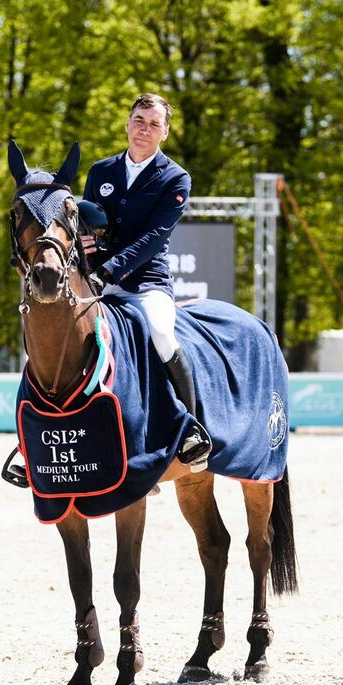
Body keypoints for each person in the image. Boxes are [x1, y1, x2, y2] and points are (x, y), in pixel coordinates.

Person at [79, 93, 211, 468]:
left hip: (147, 282)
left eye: (154, 124)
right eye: (139, 120)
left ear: (164, 133)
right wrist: (85, 242)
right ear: (127, 123)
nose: (144, 129)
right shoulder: (101, 171)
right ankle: (34, 436)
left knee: (160, 332)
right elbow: (89, 223)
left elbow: (154, 238)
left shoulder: (174, 177)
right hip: (97, 278)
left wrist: (109, 270)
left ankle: (190, 426)